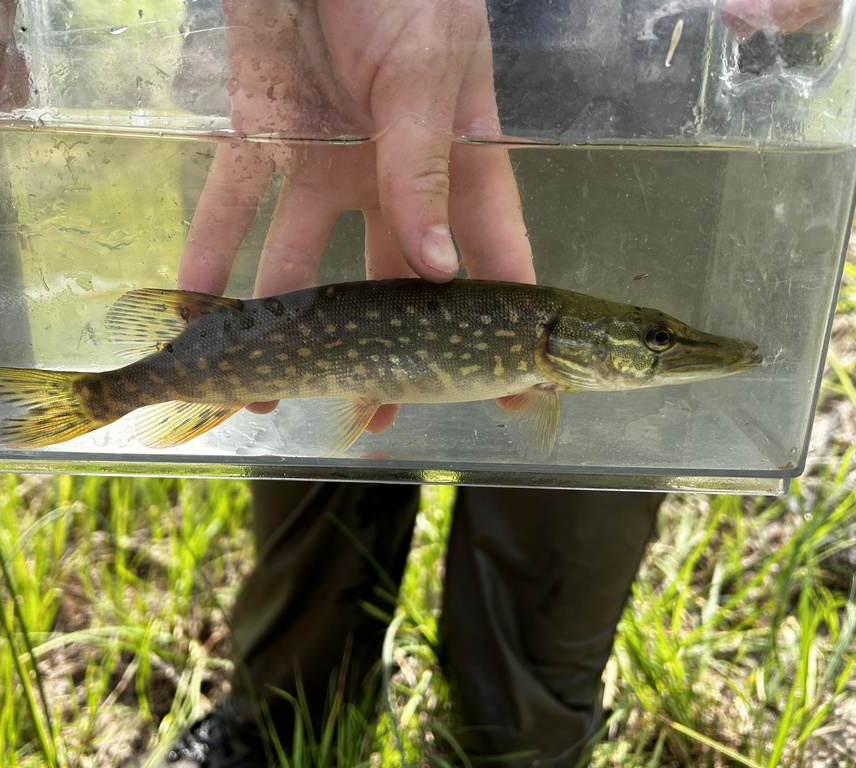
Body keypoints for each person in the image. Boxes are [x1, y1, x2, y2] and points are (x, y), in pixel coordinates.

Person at [166, 2, 662, 767]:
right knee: (315, 450)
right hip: (316, 66)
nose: (659, 349)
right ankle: (280, 723)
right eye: (654, 345)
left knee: (565, 516)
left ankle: (519, 746)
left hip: (628, 61)